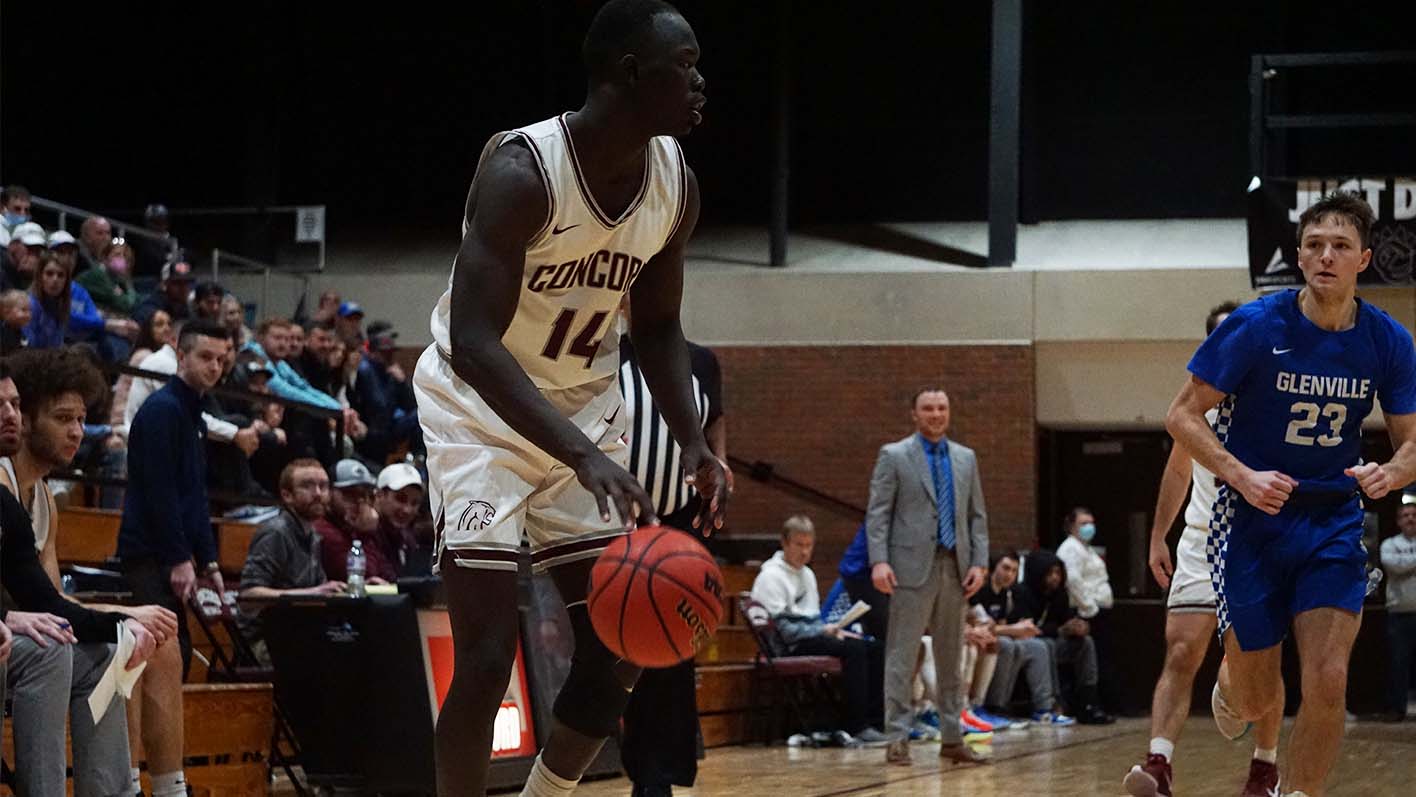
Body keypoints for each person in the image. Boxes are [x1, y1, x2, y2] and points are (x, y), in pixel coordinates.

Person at [410, 2, 723, 793]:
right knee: (484, 659)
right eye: (683, 65)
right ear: (628, 73)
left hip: (582, 410)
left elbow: (656, 327)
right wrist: (582, 456)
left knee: (625, 642)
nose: (699, 82)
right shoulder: (522, 171)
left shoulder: (674, 185)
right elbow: (477, 344)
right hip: (479, 416)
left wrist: (692, 439)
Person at [1166, 192, 1416, 797]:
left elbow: (1412, 444)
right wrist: (1241, 475)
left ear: (1363, 260)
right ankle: (1233, 680)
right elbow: (1182, 416)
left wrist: (1395, 472)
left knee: (1329, 679)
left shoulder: (1388, 340)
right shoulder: (1256, 326)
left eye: (1339, 246)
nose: (1325, 256)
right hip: (1252, 518)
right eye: (1313, 245)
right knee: (1257, 694)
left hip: (1332, 518)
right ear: (1300, 258)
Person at [0, 347, 189, 797]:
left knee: (133, 644)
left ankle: (155, 790)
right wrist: (122, 618)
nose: (77, 432)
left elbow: (49, 599)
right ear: (27, 420)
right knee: (78, 644)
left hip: (30, 633)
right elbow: (38, 606)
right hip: (18, 642)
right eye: (64, 418)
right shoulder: (3, 482)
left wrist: (127, 619)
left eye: (82, 420)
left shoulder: (43, 498)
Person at [1125, 302, 1284, 797]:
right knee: (1179, 649)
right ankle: (1158, 763)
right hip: (1199, 540)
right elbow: (1177, 472)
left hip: (1259, 542)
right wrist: (1157, 537)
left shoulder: (1278, 400)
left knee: (1261, 666)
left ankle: (1265, 767)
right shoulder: (1197, 405)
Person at [616, 298, 728, 796]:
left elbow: (714, 423)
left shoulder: (701, 361)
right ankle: (642, 766)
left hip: (682, 522)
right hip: (617, 518)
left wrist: (720, 468)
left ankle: (665, 769)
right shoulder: (601, 355)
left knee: (673, 648)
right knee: (628, 648)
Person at [867, 387, 990, 765]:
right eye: (928, 409)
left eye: (942, 408)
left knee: (953, 660)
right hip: (907, 569)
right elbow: (878, 514)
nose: (936, 414)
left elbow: (977, 518)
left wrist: (979, 563)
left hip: (955, 568)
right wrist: (879, 561)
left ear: (949, 413)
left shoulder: (966, 458)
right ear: (914, 414)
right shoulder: (894, 455)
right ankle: (897, 737)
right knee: (902, 656)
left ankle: (952, 738)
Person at [116, 319, 232, 674]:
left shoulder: (192, 414)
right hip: (148, 553)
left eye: (221, 360)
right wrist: (180, 557)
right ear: (182, 356)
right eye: (205, 357)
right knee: (166, 653)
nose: (214, 366)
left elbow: (194, 495)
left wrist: (209, 561)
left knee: (175, 653)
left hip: (169, 552)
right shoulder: (162, 410)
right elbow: (159, 491)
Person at [751, 516, 888, 747]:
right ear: (785, 543)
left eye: (809, 545)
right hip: (787, 646)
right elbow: (783, 631)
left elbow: (813, 618)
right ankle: (856, 725)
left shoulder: (808, 574)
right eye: (799, 545)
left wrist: (831, 631)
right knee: (854, 650)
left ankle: (876, 722)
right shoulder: (770, 576)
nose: (805, 552)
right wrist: (821, 632)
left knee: (874, 647)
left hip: (808, 636)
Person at [238, 458, 347, 658]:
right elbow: (248, 596)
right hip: (264, 641)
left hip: (300, 634)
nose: (318, 494)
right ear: (287, 495)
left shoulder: (312, 535)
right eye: (307, 486)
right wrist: (312, 593)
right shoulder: (276, 533)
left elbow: (320, 591)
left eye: (323, 486)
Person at [971, 550, 1074, 726]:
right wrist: (1014, 629)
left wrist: (1015, 630)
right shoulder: (981, 590)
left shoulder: (1006, 594)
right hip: (977, 638)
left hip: (997, 637)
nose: (1009, 574)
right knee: (1008, 645)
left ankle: (1044, 708)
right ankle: (992, 706)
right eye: (1005, 568)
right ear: (993, 568)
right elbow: (982, 626)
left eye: (1013, 571)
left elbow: (996, 626)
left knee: (1037, 647)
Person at [1019, 549, 1113, 725]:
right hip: (1033, 644)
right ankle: (1052, 704)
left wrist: (1078, 626)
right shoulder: (1023, 592)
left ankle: (1089, 701)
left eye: (1058, 573)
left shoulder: (1060, 594)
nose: (1055, 577)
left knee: (1085, 643)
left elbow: (1066, 620)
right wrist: (1060, 630)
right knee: (1046, 645)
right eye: (1050, 573)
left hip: (1053, 643)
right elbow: (1027, 628)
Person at [315, 458, 397, 582]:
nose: (359, 502)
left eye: (363, 495)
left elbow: (389, 576)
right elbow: (363, 575)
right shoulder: (323, 530)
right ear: (329, 493)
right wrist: (365, 535)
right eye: (350, 494)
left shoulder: (352, 526)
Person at [1381, 503, 1416, 723]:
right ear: (1398, 520)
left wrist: (1408, 563)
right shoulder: (1389, 544)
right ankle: (1397, 708)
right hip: (1399, 613)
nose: (1410, 519)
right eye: (1405, 515)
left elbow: (1404, 566)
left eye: (1414, 515)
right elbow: (1394, 566)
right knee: (1398, 663)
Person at [373, 461, 429, 577]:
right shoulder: (363, 535)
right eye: (400, 499)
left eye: (414, 503)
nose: (407, 510)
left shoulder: (408, 538)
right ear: (379, 495)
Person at [75, 236, 139, 317]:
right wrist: (128, 286)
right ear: (104, 257)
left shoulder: (114, 279)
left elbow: (135, 302)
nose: (122, 259)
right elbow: (125, 305)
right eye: (117, 255)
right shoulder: (98, 275)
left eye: (125, 257)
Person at [1, 288, 31, 354]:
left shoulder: (22, 333)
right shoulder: (3, 336)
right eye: (24, 310)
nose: (28, 314)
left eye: (30, 310)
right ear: (7, 312)